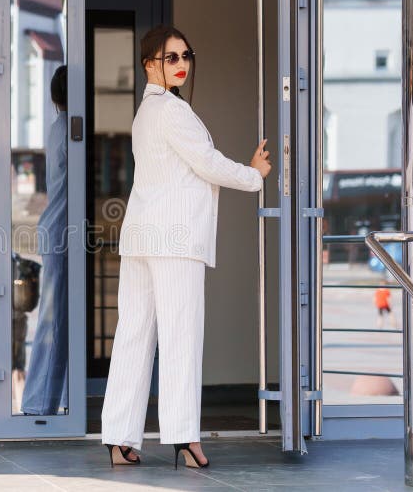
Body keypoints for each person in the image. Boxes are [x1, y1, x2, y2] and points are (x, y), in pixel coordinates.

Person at [100, 25, 272, 469]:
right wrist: (254, 175)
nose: (180, 65)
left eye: (184, 56)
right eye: (169, 58)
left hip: (143, 236)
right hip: (174, 240)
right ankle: (183, 438)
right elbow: (208, 163)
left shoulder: (145, 113)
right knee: (180, 337)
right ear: (148, 65)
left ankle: (119, 438)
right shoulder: (172, 112)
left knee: (134, 334)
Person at [21, 65, 69, 415]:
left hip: (56, 228)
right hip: (63, 231)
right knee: (53, 319)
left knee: (58, 318)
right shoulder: (70, 130)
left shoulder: (58, 127)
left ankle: (54, 400)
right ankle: (39, 402)